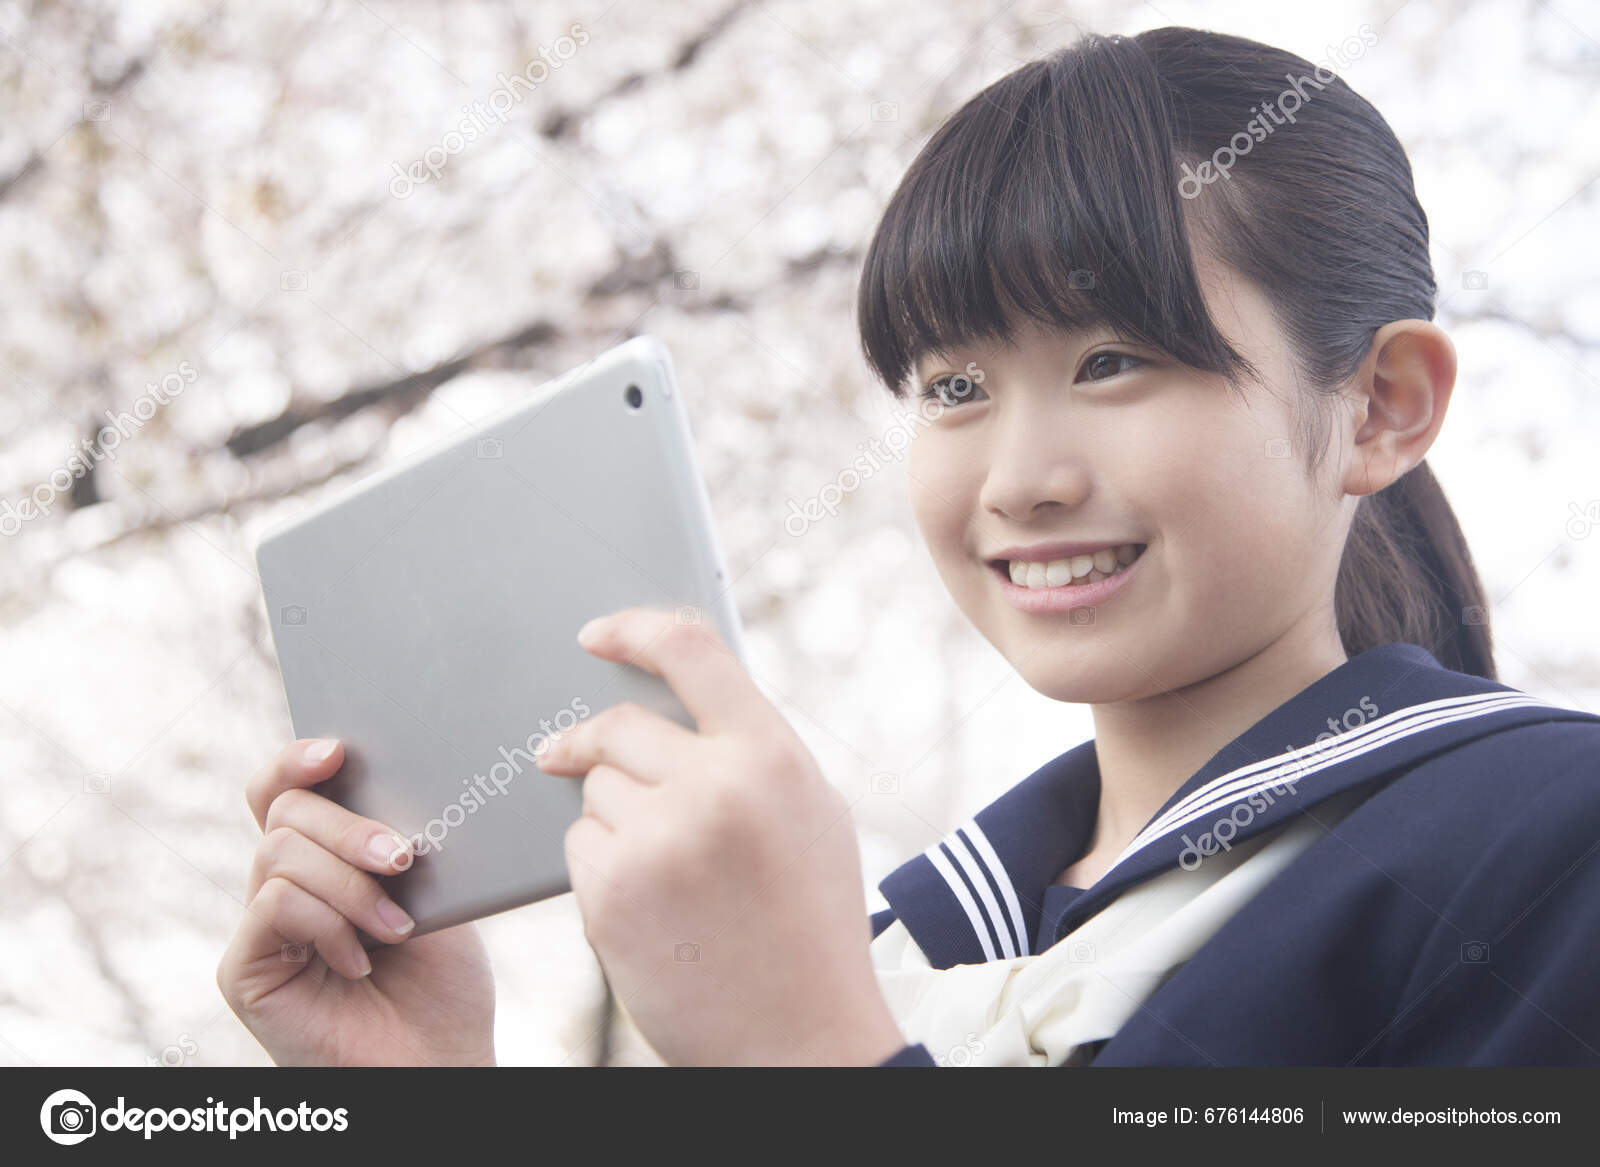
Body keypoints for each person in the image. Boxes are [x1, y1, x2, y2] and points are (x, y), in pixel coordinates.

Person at [218, 26, 1600, 1066]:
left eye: (1115, 358)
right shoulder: (882, 944)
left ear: (1382, 407)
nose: (1021, 478)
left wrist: (809, 1059)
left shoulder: (1544, 846)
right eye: (953, 388)